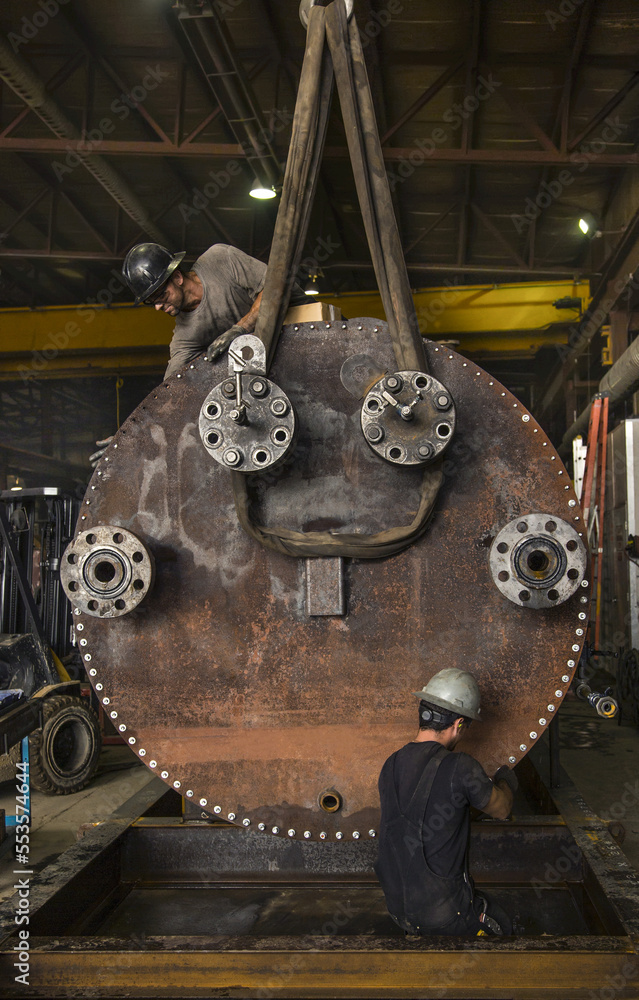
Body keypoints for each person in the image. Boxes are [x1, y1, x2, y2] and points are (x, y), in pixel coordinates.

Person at [374, 667, 517, 937]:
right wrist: (507, 783)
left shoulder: (390, 765)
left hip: (398, 912)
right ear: (459, 724)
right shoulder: (460, 766)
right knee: (503, 925)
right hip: (445, 918)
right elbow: (502, 810)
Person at [121, 242, 309, 378]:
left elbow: (275, 287)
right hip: (279, 363)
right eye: (151, 302)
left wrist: (239, 329)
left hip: (308, 329)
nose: (157, 306)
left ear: (177, 277)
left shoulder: (220, 260)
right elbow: (171, 385)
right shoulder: (185, 337)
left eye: (160, 295)